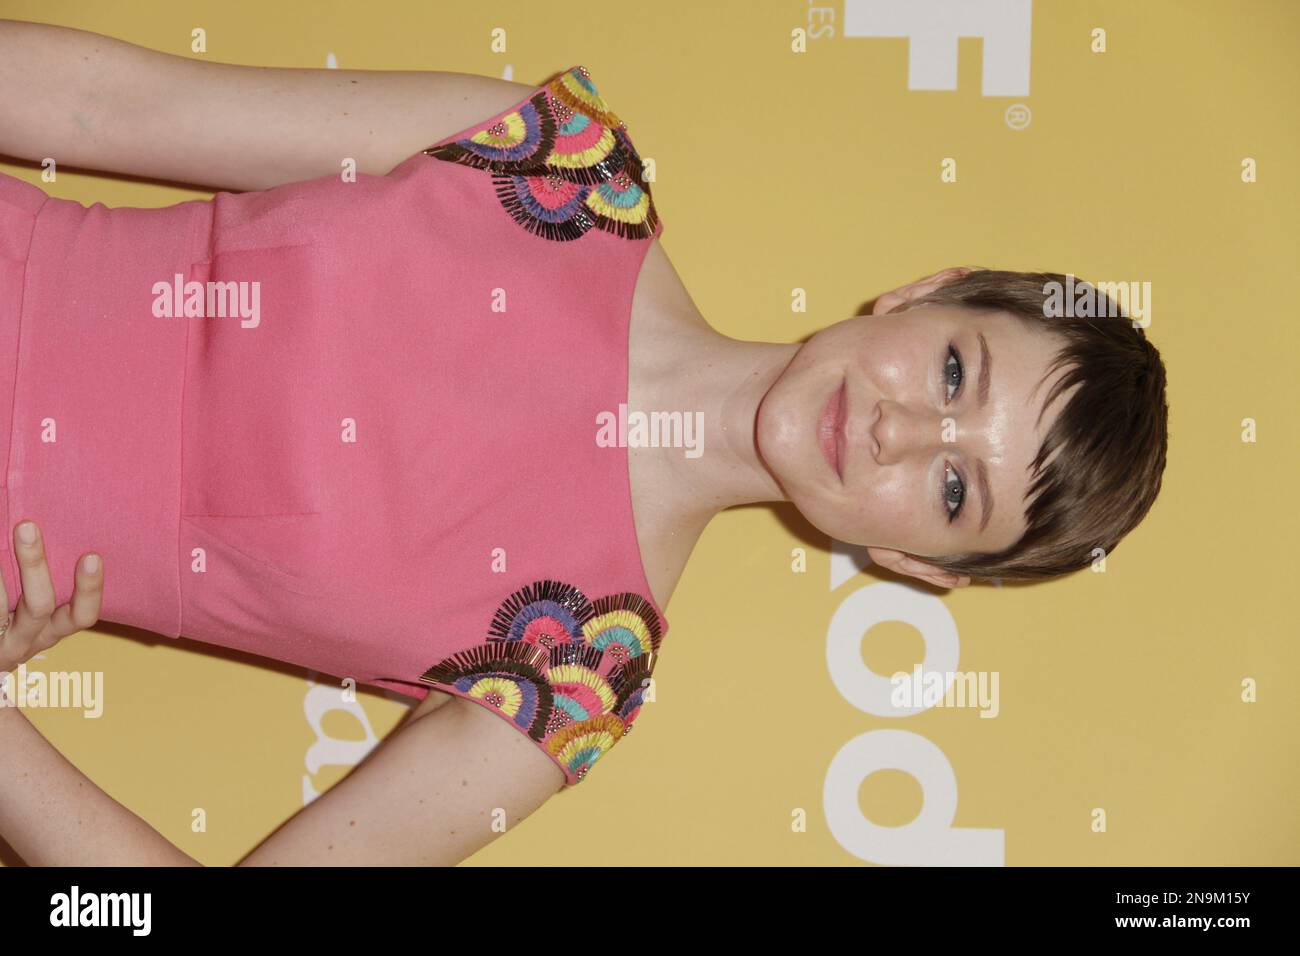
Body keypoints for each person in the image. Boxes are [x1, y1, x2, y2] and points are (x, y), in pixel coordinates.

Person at [0, 19, 1168, 866]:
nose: (897, 427)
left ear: (922, 564)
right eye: (954, 368)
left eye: (953, 487)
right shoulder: (556, 161)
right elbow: (118, 105)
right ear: (928, 289)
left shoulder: (570, 677)